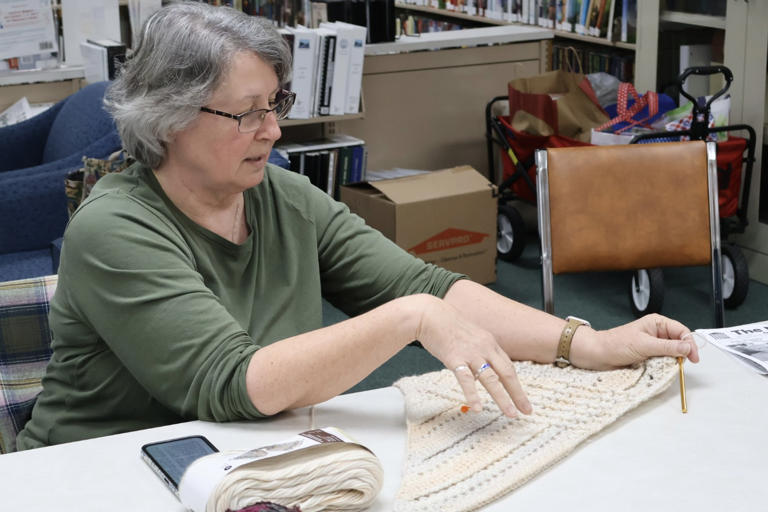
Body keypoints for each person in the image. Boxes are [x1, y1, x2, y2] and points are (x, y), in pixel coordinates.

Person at [16, 2, 698, 450]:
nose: (273, 130)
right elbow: (232, 384)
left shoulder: (281, 195)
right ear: (169, 116)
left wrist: (586, 342)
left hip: (239, 457)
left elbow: (426, 284)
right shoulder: (115, 229)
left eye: (276, 104)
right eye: (248, 113)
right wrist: (411, 318)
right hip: (98, 471)